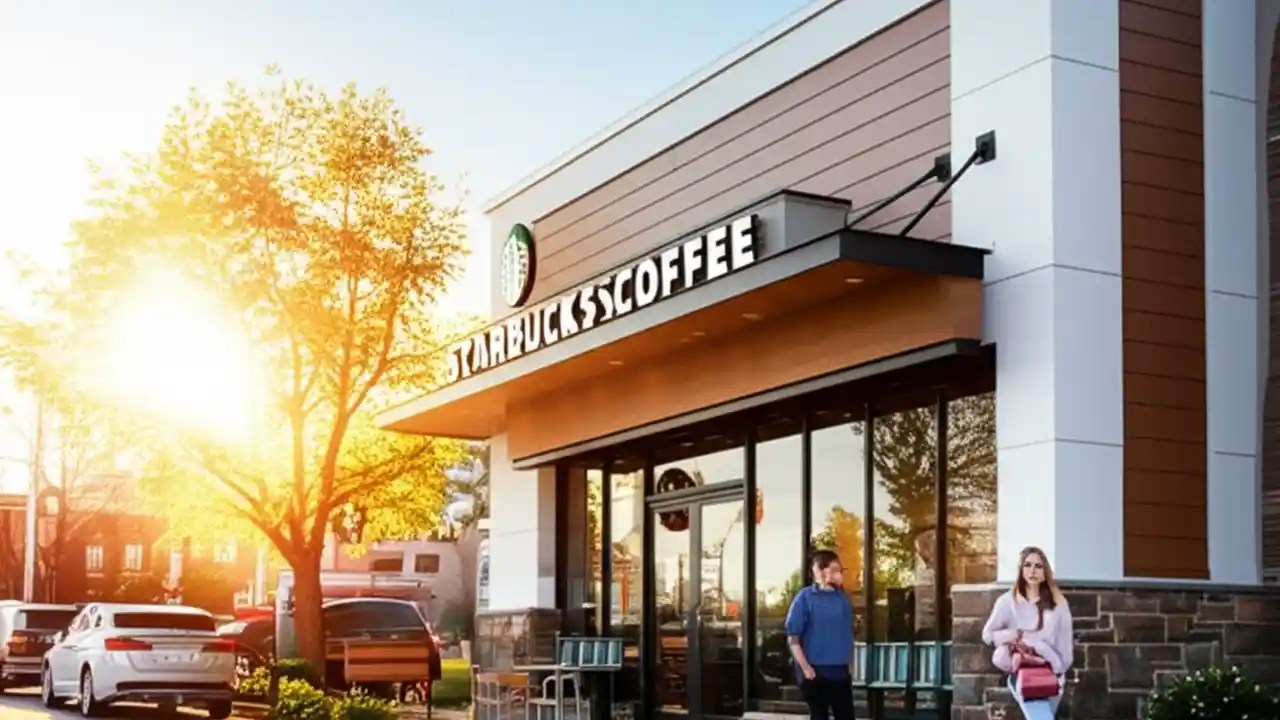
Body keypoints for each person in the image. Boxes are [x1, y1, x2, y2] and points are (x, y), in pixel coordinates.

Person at [981, 546, 1075, 719]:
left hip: (1054, 672)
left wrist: (1060, 671)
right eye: (1027, 565)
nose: (1032, 571)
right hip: (1023, 672)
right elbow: (988, 634)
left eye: (1038, 566)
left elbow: (1065, 644)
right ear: (1021, 569)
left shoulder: (1059, 605)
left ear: (1045, 571)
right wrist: (1015, 635)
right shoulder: (1007, 601)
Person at [785, 549, 855, 720]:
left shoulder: (843, 599)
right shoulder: (805, 598)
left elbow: (847, 633)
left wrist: (851, 665)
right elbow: (793, 638)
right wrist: (805, 668)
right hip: (815, 672)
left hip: (840, 672)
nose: (840, 574)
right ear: (822, 571)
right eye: (835, 570)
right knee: (819, 715)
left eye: (840, 570)